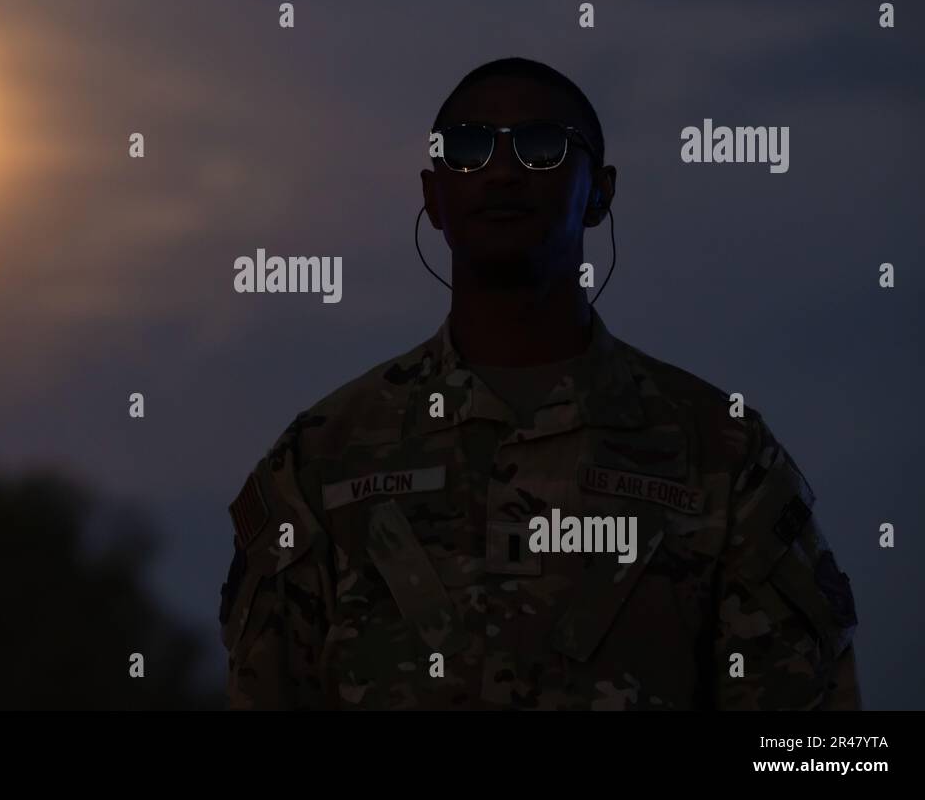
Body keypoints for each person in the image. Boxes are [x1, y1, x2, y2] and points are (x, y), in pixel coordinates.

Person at [218, 57, 860, 710]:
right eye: (466, 148)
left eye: (542, 147)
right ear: (432, 196)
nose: (500, 171)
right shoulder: (324, 457)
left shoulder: (722, 456)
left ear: (601, 192)